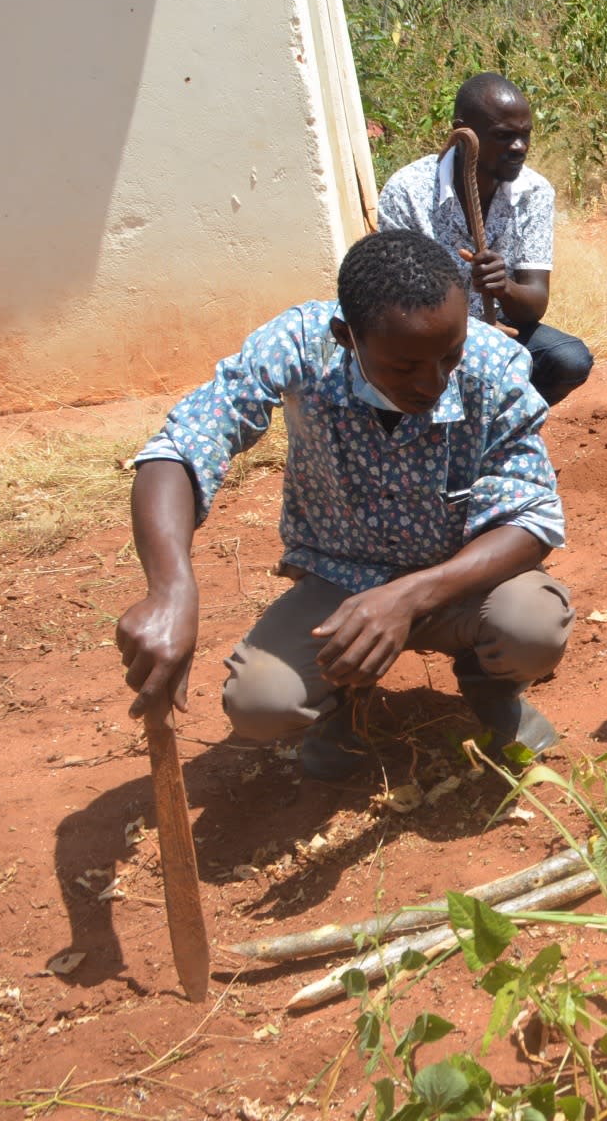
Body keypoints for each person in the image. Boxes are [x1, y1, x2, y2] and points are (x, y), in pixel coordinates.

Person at [114, 231, 572, 781]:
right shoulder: (302, 345)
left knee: (532, 626)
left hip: (462, 583)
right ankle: (342, 704)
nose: (432, 382)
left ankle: (491, 688)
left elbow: (533, 517)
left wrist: (407, 596)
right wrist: (170, 587)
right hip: (341, 581)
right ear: (346, 338)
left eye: (449, 356)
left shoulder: (494, 365)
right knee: (262, 703)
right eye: (405, 367)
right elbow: (184, 445)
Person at [377, 73, 594, 409]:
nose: (519, 148)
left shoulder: (534, 192)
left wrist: (503, 287)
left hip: (503, 331)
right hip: (430, 343)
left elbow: (535, 303)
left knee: (570, 360)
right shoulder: (407, 191)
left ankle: (502, 427)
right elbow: (401, 308)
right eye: (504, 136)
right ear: (463, 132)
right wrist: (474, 336)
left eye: (525, 136)